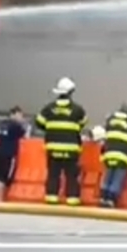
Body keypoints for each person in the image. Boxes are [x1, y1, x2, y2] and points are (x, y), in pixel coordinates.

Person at [35, 77, 86, 206]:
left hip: (53, 148)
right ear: (71, 92)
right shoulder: (77, 109)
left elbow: (39, 122)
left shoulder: (48, 109)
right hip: (71, 149)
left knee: (53, 174)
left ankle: (52, 197)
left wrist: (51, 128)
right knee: (71, 175)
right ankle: (72, 199)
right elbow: (83, 123)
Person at [98, 104, 127, 209]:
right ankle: (111, 200)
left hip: (108, 154)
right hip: (124, 156)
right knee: (117, 179)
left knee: (108, 177)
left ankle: (103, 198)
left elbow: (101, 135)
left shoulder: (110, 121)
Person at [0, 106, 26, 203]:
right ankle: (0, 201)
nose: (21, 118)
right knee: (2, 179)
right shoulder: (16, 126)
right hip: (7, 154)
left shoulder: (2, 125)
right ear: (13, 114)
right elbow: (25, 138)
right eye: (20, 115)